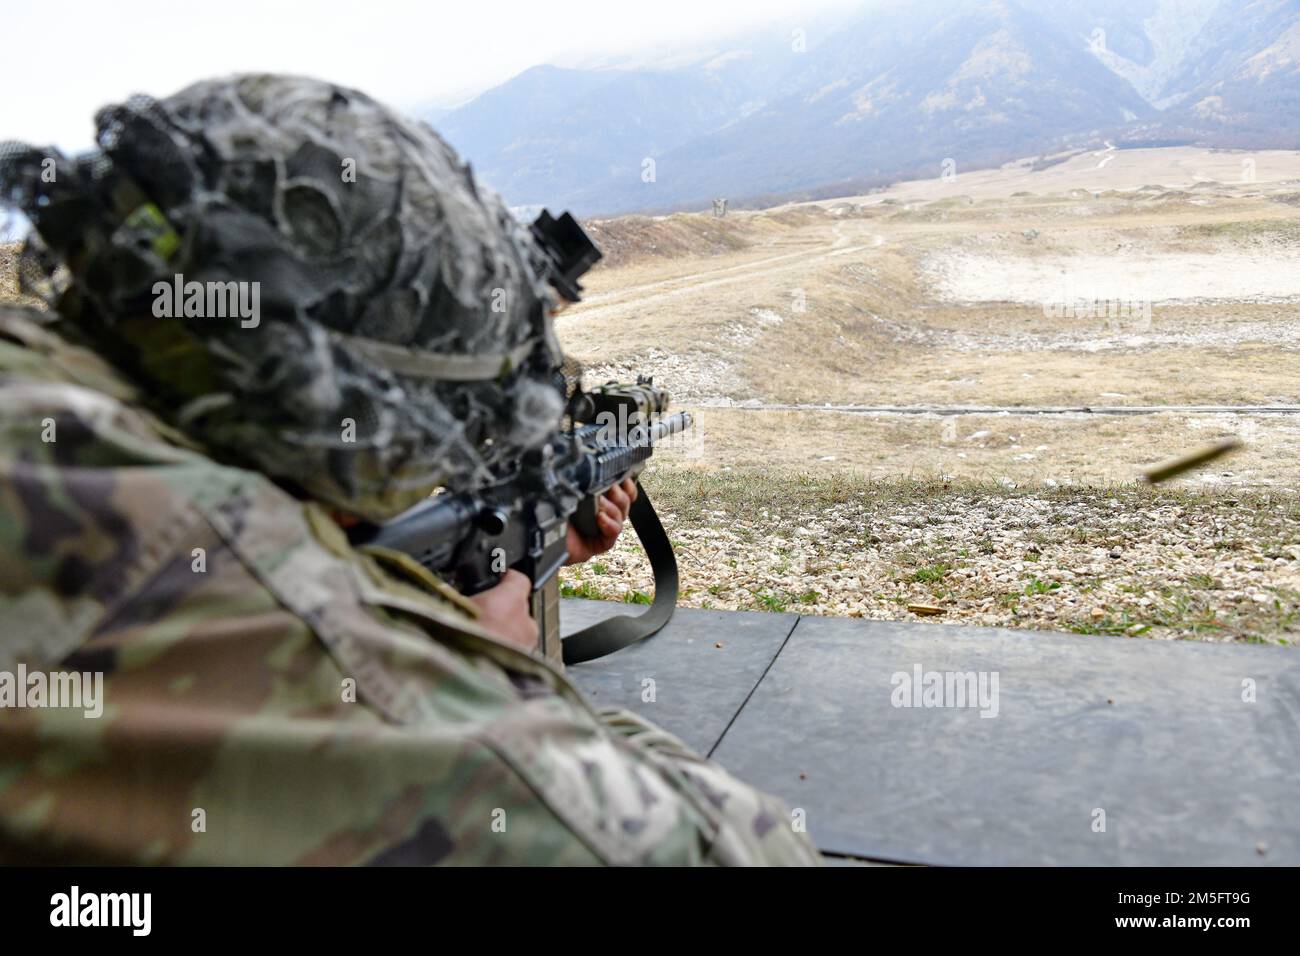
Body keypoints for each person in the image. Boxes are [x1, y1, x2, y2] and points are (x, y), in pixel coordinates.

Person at [0, 74, 820, 865]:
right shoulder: (211, 575)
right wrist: (493, 667)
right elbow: (734, 849)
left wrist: (521, 556)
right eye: (427, 439)